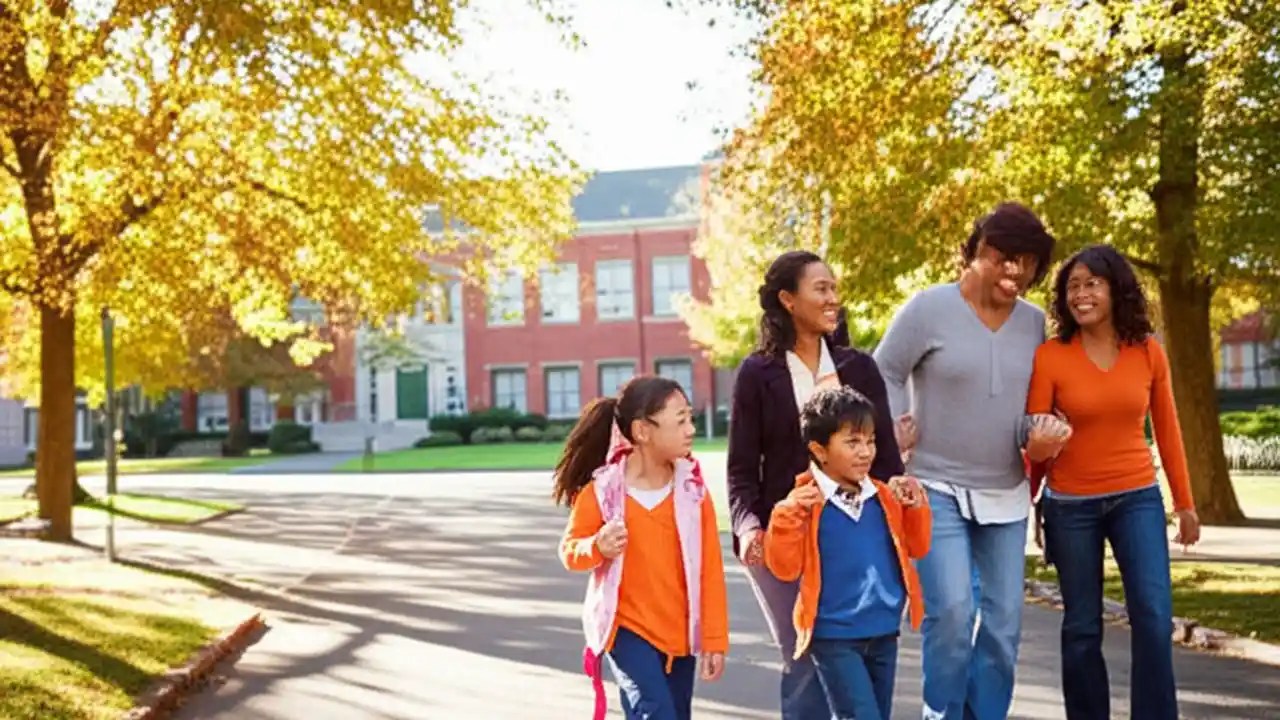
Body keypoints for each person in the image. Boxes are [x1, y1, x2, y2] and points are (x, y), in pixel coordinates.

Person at [874, 202, 1068, 719]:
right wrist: (893, 432)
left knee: (1004, 624)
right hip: (935, 484)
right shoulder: (927, 309)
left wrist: (1040, 437)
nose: (1016, 272)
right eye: (1003, 258)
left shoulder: (1033, 323)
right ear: (975, 250)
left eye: (1027, 262)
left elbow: (1031, 406)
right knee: (954, 613)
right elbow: (885, 372)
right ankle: (941, 712)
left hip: (1006, 491)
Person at [728, 250, 906, 718]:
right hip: (783, 536)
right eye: (820, 289)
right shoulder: (757, 374)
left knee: (861, 657)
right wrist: (749, 528)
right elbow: (742, 469)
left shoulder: (860, 369)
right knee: (804, 659)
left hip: (854, 534)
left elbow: (885, 456)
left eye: (833, 288)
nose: (832, 298)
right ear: (788, 299)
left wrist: (900, 503)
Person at [1027, 245, 1200, 720]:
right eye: (1073, 287)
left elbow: (1167, 428)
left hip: (1136, 499)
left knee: (1152, 616)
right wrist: (1032, 494)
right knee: (1082, 627)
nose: (1081, 295)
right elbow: (1034, 435)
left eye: (1091, 284)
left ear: (1114, 288)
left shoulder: (1146, 352)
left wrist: (1184, 503)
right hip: (1070, 505)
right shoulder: (1051, 357)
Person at [556, 376, 729, 720]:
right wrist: (597, 545)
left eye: (690, 418)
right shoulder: (603, 492)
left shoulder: (692, 492)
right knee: (656, 712)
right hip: (627, 630)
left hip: (680, 633)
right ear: (642, 431)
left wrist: (714, 639)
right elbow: (570, 550)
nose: (691, 429)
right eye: (680, 420)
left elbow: (710, 567)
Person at [764, 385, 932, 720]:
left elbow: (918, 546)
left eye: (870, 441)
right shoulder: (804, 504)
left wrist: (915, 507)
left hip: (884, 631)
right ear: (819, 450)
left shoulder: (885, 497)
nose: (865, 452)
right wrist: (785, 517)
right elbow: (783, 568)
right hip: (834, 637)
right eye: (852, 442)